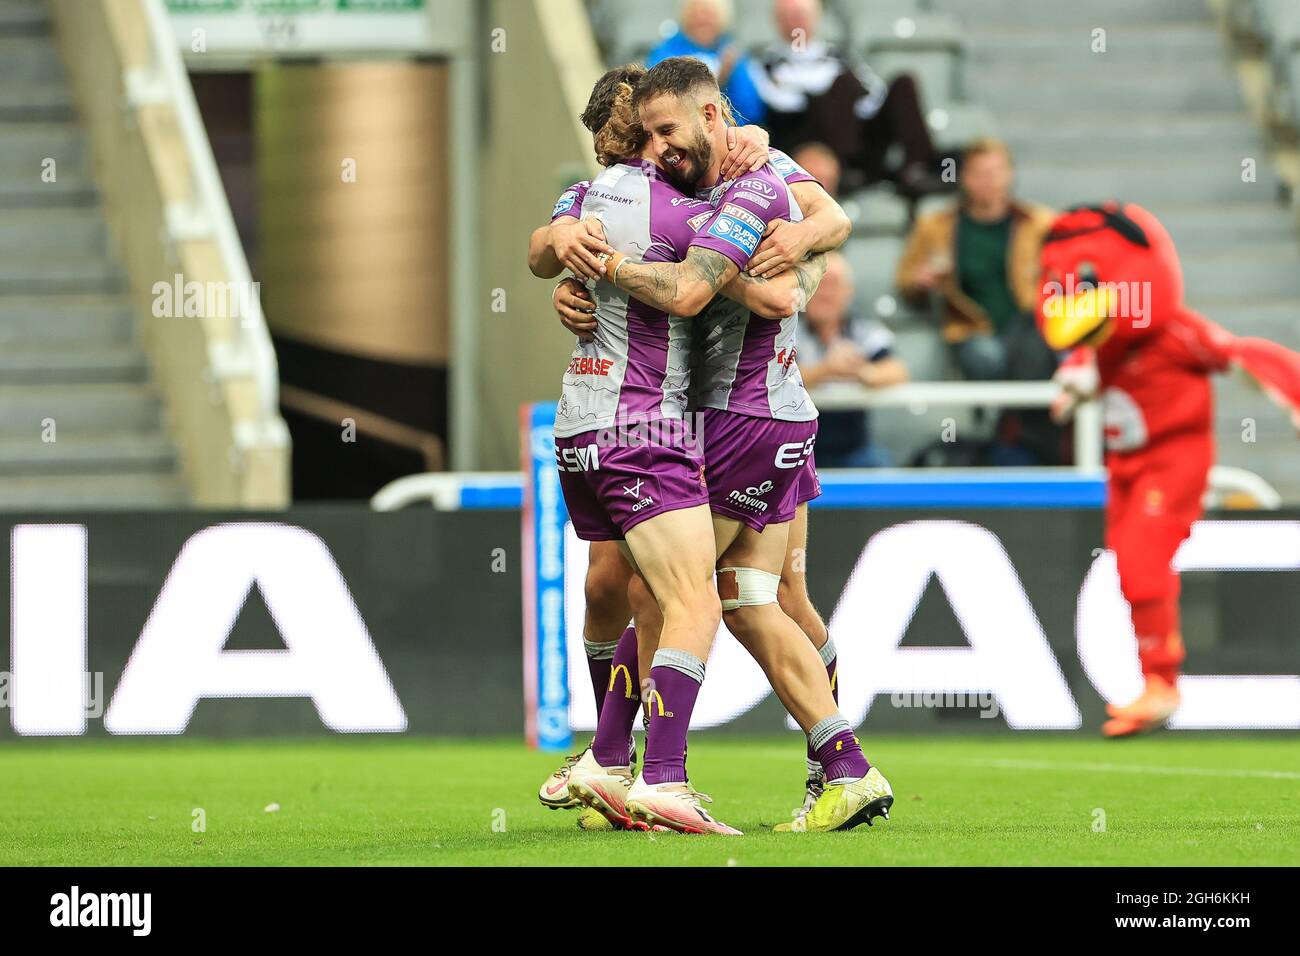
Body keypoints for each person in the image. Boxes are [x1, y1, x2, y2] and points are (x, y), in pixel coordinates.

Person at [530, 64, 861, 833]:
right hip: (718, 412)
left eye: (647, 133)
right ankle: (830, 768)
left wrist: (781, 247)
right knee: (750, 596)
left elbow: (824, 223)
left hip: (743, 411)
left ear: (696, 118)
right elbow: (545, 247)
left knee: (686, 595)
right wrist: (572, 266)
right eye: (624, 138)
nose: (639, 149)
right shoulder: (646, 187)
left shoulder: (749, 165)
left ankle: (632, 765)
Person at [1038, 202, 1300, 737]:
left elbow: (1240, 354)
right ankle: (1155, 681)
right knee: (1131, 570)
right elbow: (1083, 368)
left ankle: (1162, 684)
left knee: (1140, 561)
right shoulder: (1105, 347)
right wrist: (1074, 384)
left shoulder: (1176, 333)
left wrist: (1289, 394)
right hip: (1127, 466)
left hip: (1173, 459)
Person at [753, 0, 948, 199]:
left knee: (903, 83)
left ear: (816, 17)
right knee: (840, 87)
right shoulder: (766, 63)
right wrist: (828, 95)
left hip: (859, 139)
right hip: (808, 142)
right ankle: (843, 168)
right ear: (777, 21)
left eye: (802, 14)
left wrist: (848, 97)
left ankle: (918, 168)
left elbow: (875, 94)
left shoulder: (840, 57)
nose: (797, 21)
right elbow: (782, 104)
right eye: (790, 15)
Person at [896, 137, 1055, 382]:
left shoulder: (1040, 224)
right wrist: (919, 281)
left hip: (1026, 327)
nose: (987, 181)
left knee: (1036, 351)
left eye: (995, 173)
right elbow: (905, 280)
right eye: (978, 173)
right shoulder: (935, 226)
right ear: (964, 178)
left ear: (1010, 175)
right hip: (968, 329)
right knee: (987, 357)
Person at [797, 252, 908, 467]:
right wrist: (826, 370)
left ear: (849, 292)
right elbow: (772, 379)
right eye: (819, 283)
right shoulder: (784, 333)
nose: (825, 293)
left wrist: (861, 372)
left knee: (879, 464)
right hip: (797, 447)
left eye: (834, 284)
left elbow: (897, 371)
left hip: (853, 448)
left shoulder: (865, 333)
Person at [647, 0, 767, 126]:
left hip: (732, 134)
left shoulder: (730, 52)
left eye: (709, 14)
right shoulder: (666, 53)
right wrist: (716, 82)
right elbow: (660, 102)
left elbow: (752, 110)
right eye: (696, 14)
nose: (702, 19)